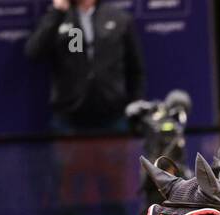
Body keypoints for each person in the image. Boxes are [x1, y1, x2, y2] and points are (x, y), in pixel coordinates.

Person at [25, 0, 144, 133]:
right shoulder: (59, 16)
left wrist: (135, 101)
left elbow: (134, 67)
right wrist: (57, 13)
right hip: (68, 118)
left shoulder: (118, 17)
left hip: (114, 117)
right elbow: (34, 52)